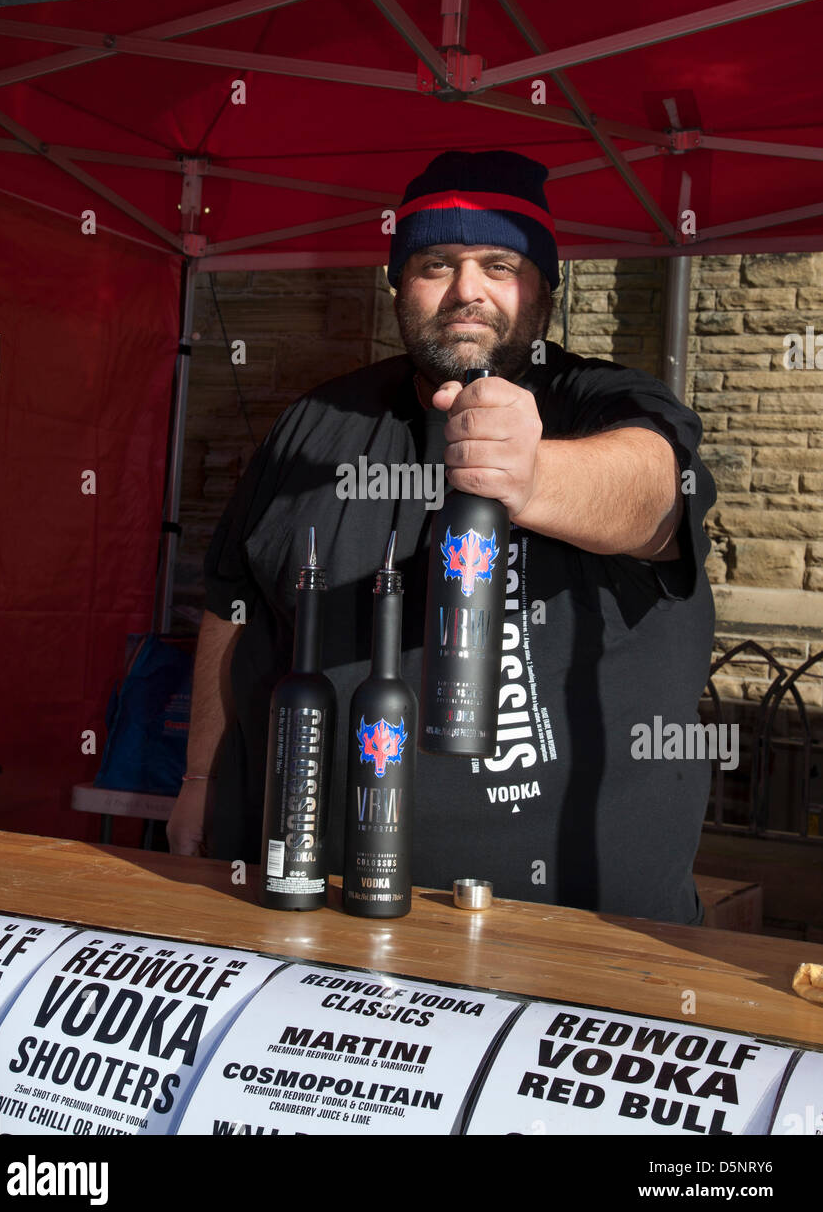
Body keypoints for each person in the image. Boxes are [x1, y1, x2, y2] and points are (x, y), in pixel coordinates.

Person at [167, 149, 717, 925]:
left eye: (499, 263)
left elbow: (656, 495)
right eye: (435, 263)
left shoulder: (601, 403)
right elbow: (235, 601)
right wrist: (200, 782)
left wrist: (532, 478)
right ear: (398, 286)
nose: (468, 290)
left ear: (543, 291)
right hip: (320, 913)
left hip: (580, 939)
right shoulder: (315, 425)